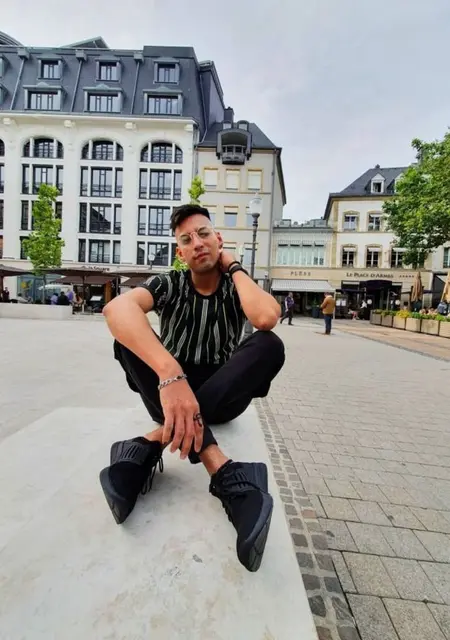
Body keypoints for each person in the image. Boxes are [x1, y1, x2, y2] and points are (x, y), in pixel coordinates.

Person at [100, 204, 285, 572]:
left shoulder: (235, 284)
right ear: (180, 253)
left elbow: (266, 317)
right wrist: (171, 373)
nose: (197, 243)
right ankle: (223, 470)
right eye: (186, 240)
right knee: (127, 339)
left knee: (269, 344)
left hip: (223, 394)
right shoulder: (170, 283)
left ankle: (151, 443)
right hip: (167, 394)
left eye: (204, 234)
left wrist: (235, 267)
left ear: (218, 239)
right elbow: (116, 309)